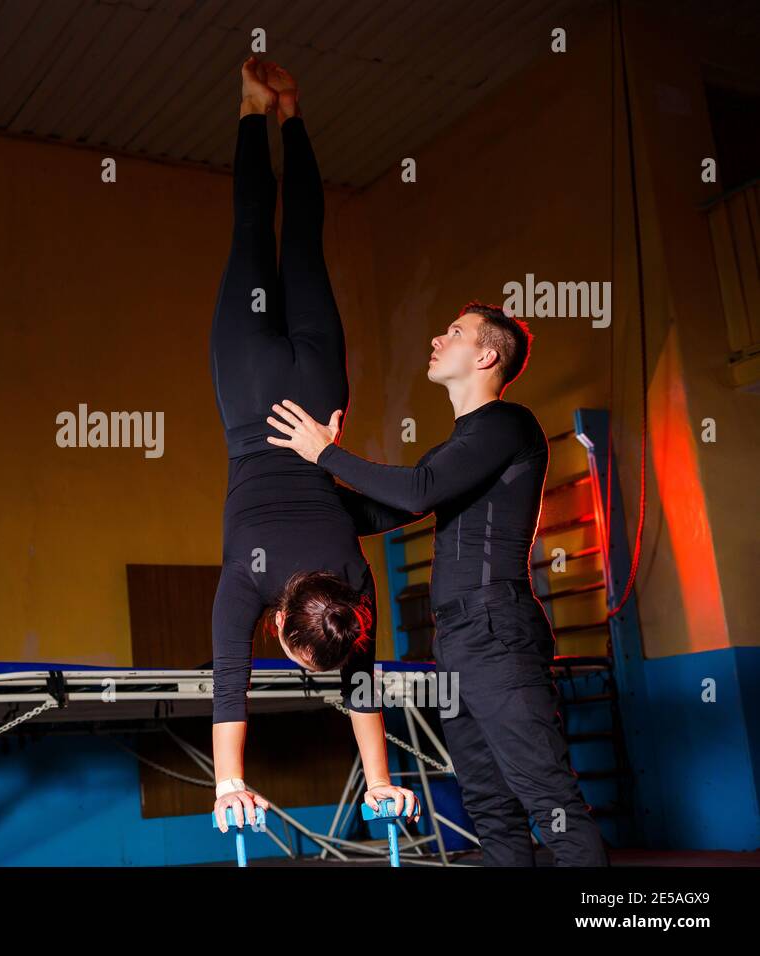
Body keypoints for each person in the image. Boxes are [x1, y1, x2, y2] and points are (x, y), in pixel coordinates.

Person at [267, 302, 610, 866]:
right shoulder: (457, 449)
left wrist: (326, 452)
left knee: (550, 802)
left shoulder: (508, 424)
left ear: (485, 354)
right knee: (488, 806)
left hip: (497, 628)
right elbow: (380, 515)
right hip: (455, 638)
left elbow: (418, 491)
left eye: (453, 332)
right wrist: (307, 481)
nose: (437, 337)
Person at [209, 56, 419, 834]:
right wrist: (229, 783)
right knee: (249, 234)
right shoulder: (246, 587)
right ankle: (247, 106)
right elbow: (229, 684)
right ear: (285, 635)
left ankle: (290, 111)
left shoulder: (351, 599)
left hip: (318, 388)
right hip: (248, 386)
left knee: (303, 239)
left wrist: (380, 781)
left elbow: (362, 686)